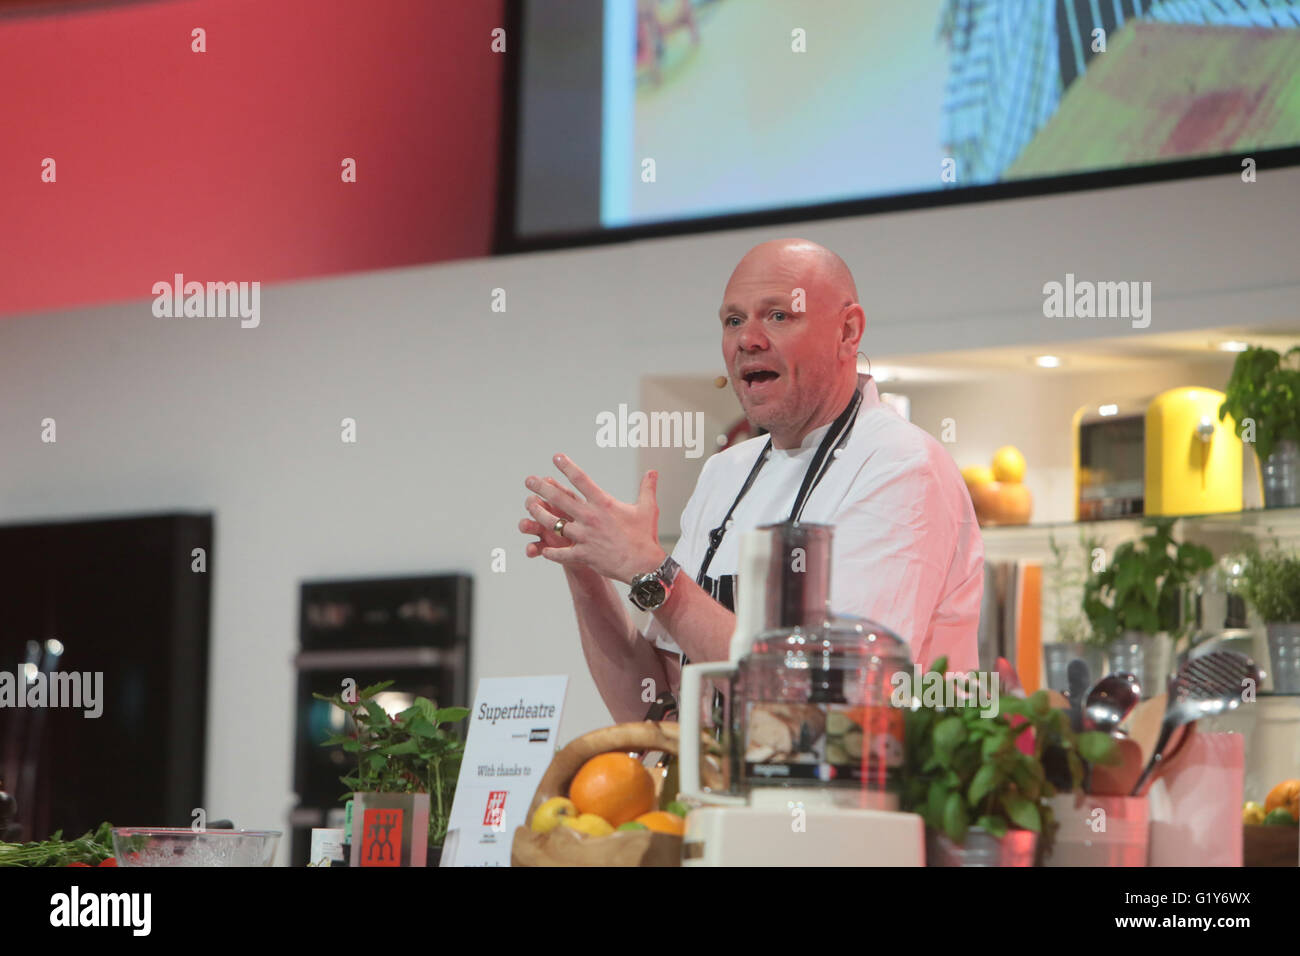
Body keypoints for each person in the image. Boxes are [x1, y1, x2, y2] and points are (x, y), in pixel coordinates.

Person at [519, 239, 983, 723]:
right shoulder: (726, 472)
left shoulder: (901, 464)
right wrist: (586, 565)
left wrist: (653, 571)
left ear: (848, 331)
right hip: (716, 796)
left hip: (858, 795)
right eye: (733, 320)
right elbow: (652, 710)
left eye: (778, 316)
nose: (748, 340)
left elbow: (834, 696)